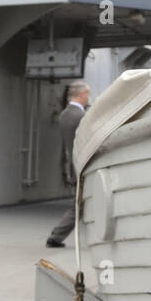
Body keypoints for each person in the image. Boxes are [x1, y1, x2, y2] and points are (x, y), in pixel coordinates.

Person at [45, 80, 91, 248]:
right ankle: (56, 237)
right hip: (83, 165)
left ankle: (56, 236)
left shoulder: (65, 114)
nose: (88, 98)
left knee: (80, 203)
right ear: (81, 95)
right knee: (79, 204)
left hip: (74, 165)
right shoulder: (81, 117)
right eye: (87, 94)